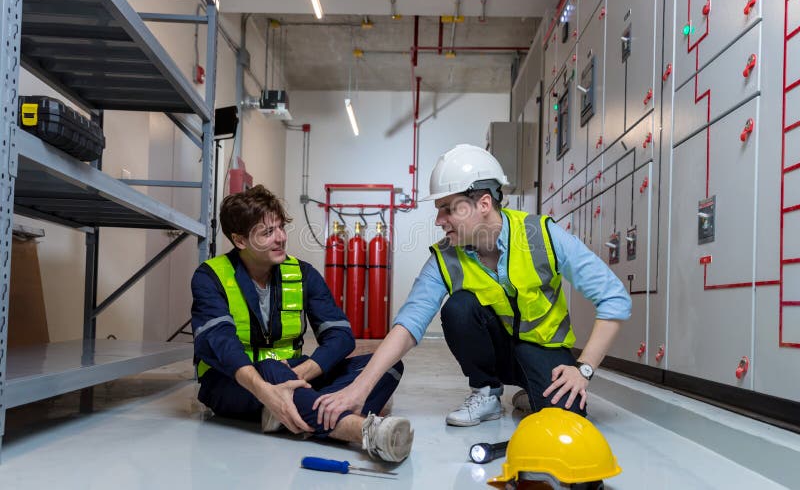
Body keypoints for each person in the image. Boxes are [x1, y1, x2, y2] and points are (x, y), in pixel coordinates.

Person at [313, 144, 631, 429]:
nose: (439, 220)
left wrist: (583, 369)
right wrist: (359, 389)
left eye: (448, 208)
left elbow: (614, 299)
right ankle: (487, 392)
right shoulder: (446, 257)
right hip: (496, 354)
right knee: (459, 306)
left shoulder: (542, 236)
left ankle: (532, 392)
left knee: (565, 419)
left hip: (542, 349)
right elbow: (409, 324)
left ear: (483, 203)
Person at [190, 185, 413, 462]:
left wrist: (302, 373)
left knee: (387, 366)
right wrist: (266, 390)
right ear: (240, 240)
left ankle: (286, 413)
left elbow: (341, 336)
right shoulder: (210, 277)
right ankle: (364, 431)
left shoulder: (302, 273)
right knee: (271, 368)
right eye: (267, 232)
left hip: (294, 376)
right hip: (235, 384)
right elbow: (219, 343)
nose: (281, 238)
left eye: (281, 227)